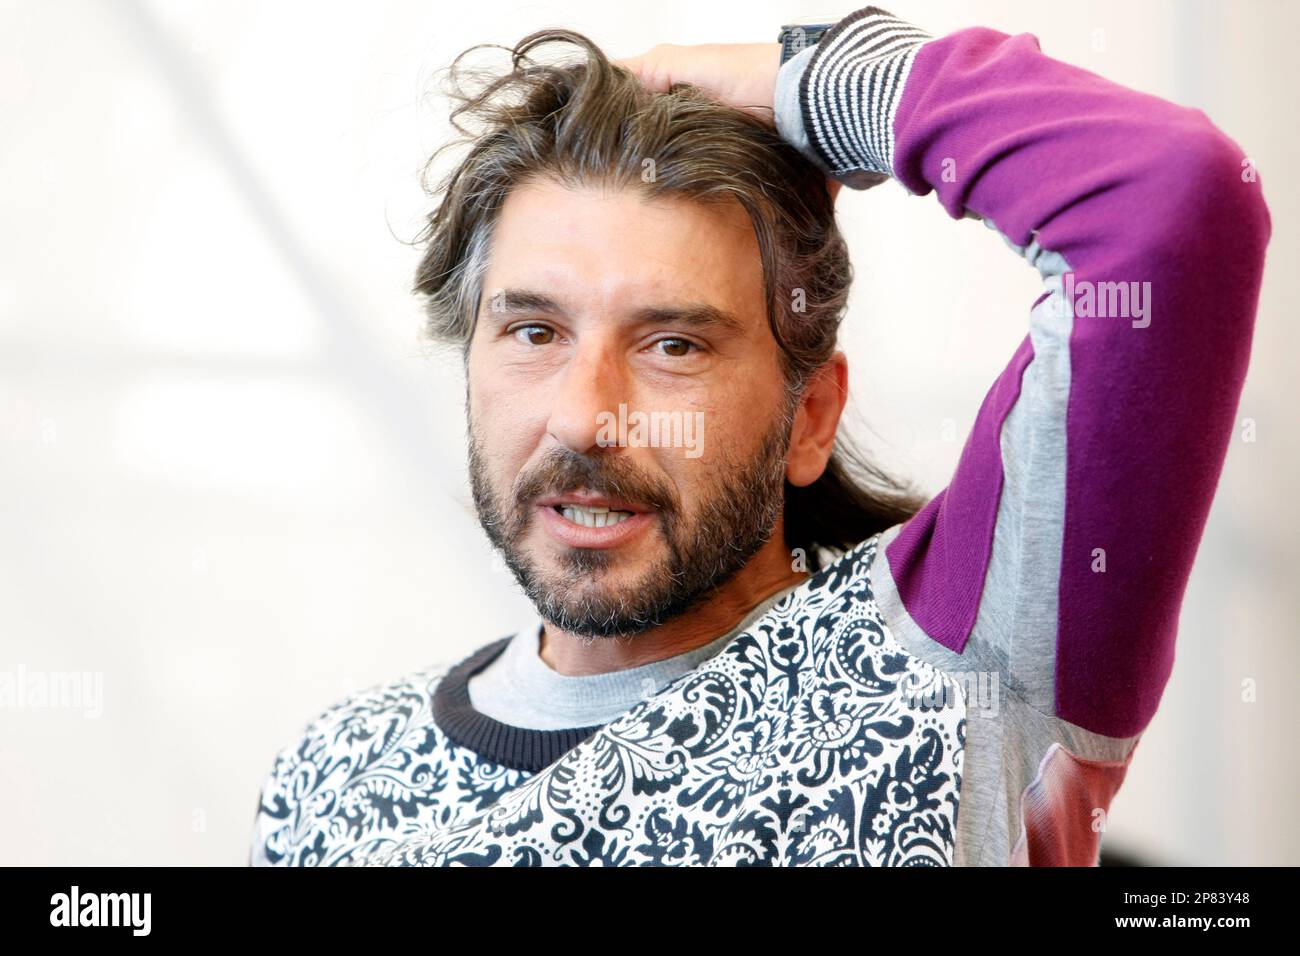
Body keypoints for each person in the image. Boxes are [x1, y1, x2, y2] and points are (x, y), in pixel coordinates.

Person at [249, 5, 1270, 866]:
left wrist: (819, 83)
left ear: (809, 415)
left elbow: (1168, 200)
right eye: (532, 330)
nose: (583, 416)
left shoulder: (954, 668)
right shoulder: (330, 782)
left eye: (674, 344)